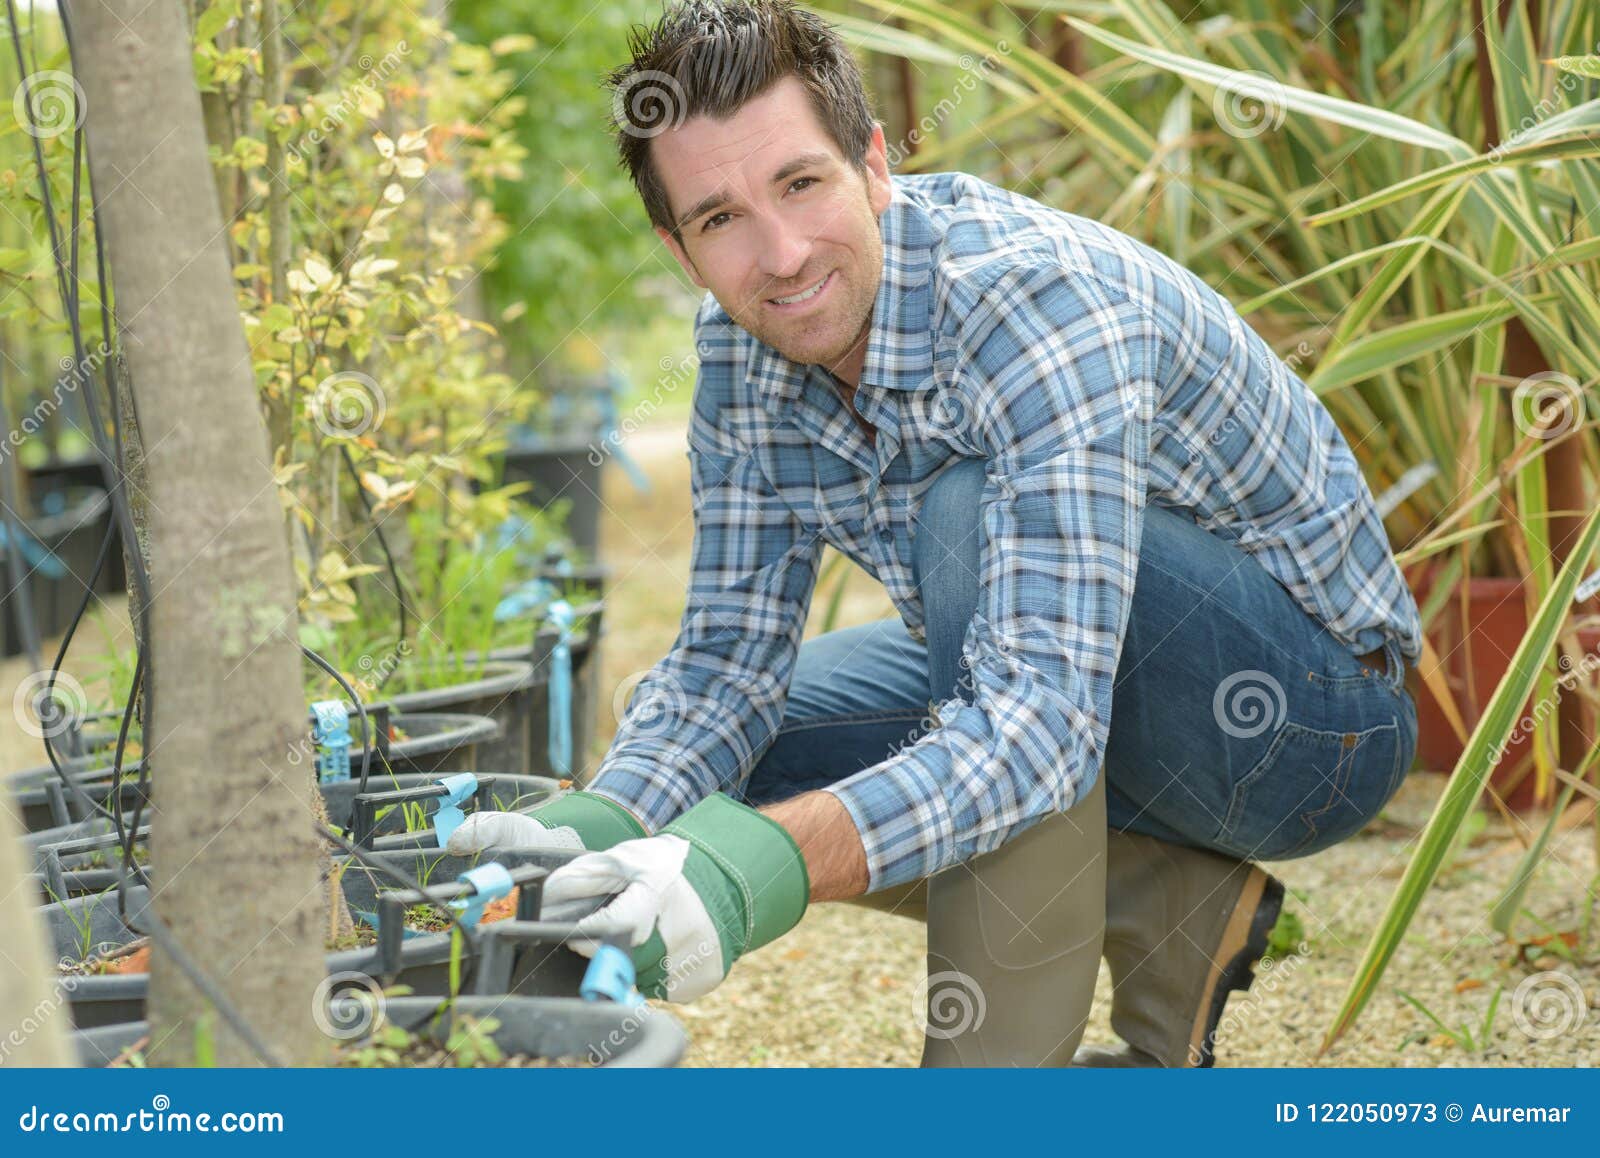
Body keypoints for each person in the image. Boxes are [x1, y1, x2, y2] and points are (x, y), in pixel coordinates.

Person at [451, 0, 1421, 1068]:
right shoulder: (738, 356)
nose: (779, 255)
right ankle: (1167, 908)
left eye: (800, 183)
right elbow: (726, 666)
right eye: (719, 219)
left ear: (872, 165)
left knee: (964, 522)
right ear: (680, 250)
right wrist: (594, 829)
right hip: (1069, 671)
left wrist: (750, 872)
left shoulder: (1035, 306)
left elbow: (1039, 722)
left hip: (1310, 725)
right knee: (722, 751)